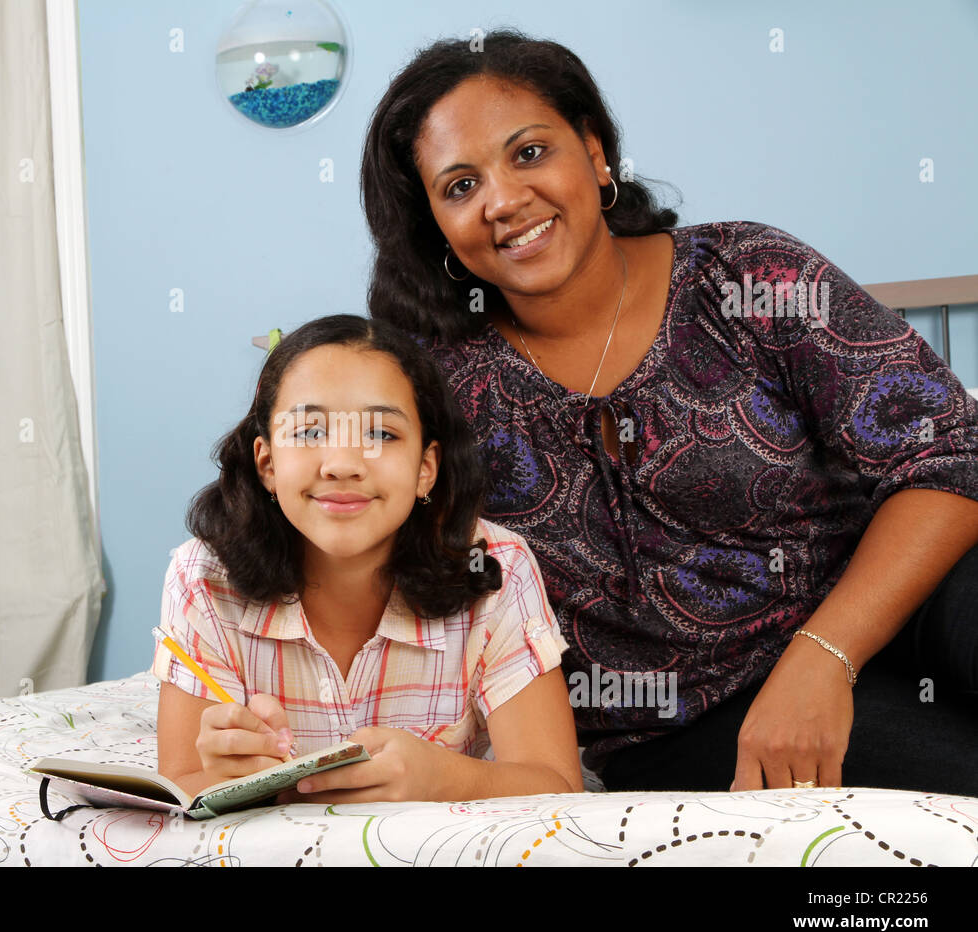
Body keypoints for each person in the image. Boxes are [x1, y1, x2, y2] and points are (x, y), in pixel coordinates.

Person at [360, 30, 978, 795]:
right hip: (690, 720)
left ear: (593, 152)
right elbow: (353, 545)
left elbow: (948, 455)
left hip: (894, 608)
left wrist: (824, 654)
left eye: (528, 153)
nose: (504, 201)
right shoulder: (434, 383)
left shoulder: (748, 275)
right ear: (435, 228)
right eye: (459, 186)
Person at [152, 314, 584, 803]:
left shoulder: (495, 567)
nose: (343, 465)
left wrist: (441, 778)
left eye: (380, 434)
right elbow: (180, 791)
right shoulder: (204, 579)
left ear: (426, 469)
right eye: (310, 432)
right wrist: (233, 778)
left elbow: (559, 789)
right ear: (268, 464)